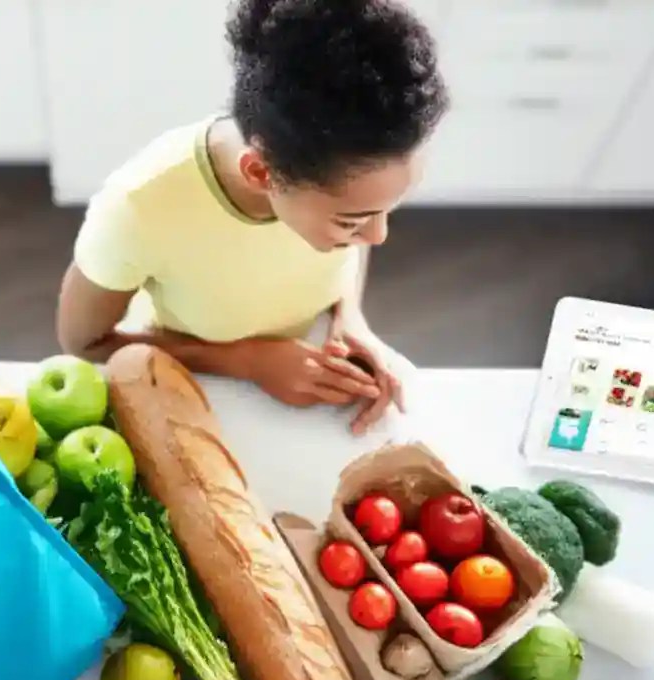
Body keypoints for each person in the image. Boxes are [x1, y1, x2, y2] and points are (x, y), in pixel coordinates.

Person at [56, 0, 448, 435]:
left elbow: (352, 244)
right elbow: (84, 342)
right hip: (188, 389)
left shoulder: (337, 185)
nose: (377, 237)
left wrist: (350, 320)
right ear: (261, 172)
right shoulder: (139, 207)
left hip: (307, 373)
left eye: (386, 211)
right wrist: (247, 360)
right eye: (351, 221)